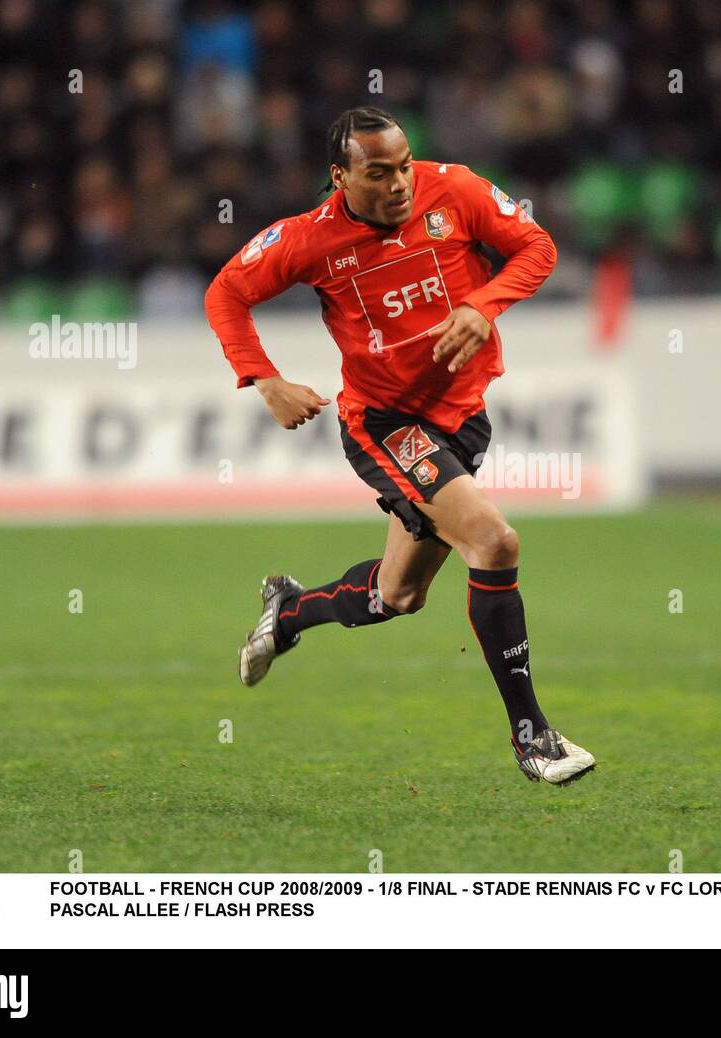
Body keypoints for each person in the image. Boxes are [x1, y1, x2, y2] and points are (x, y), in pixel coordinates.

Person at [204, 106, 595, 785]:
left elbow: (538, 249)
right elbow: (227, 293)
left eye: (405, 164)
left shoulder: (458, 190)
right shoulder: (309, 238)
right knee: (495, 541)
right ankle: (533, 738)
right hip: (385, 424)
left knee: (397, 596)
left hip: (462, 419)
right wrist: (265, 380)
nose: (400, 184)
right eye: (379, 173)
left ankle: (289, 612)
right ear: (341, 176)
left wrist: (483, 304)